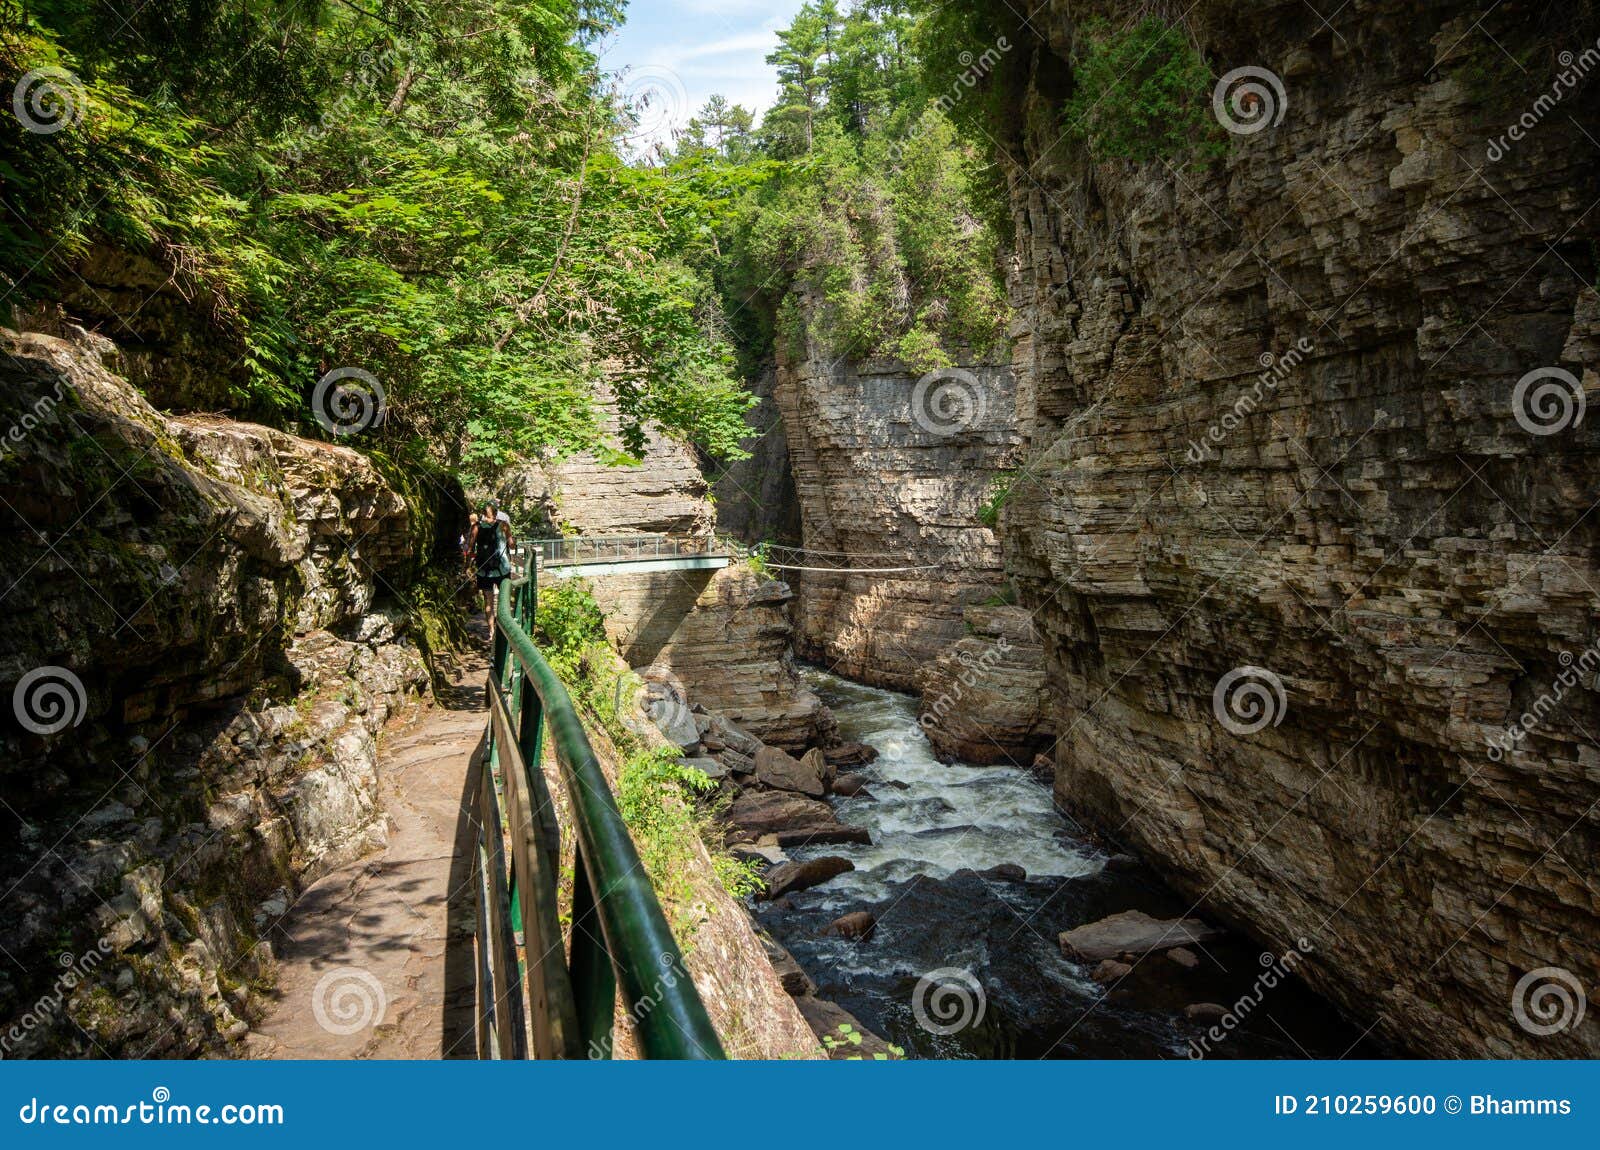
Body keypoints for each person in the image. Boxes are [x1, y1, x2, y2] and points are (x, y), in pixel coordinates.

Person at [467, 502, 514, 633]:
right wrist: (510, 541)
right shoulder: (503, 525)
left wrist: (467, 565)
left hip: (484, 570)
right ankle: (504, 630)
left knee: (488, 601)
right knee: (504, 600)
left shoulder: (476, 527)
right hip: (502, 569)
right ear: (496, 513)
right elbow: (511, 545)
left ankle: (491, 632)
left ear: (483, 514)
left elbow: (470, 549)